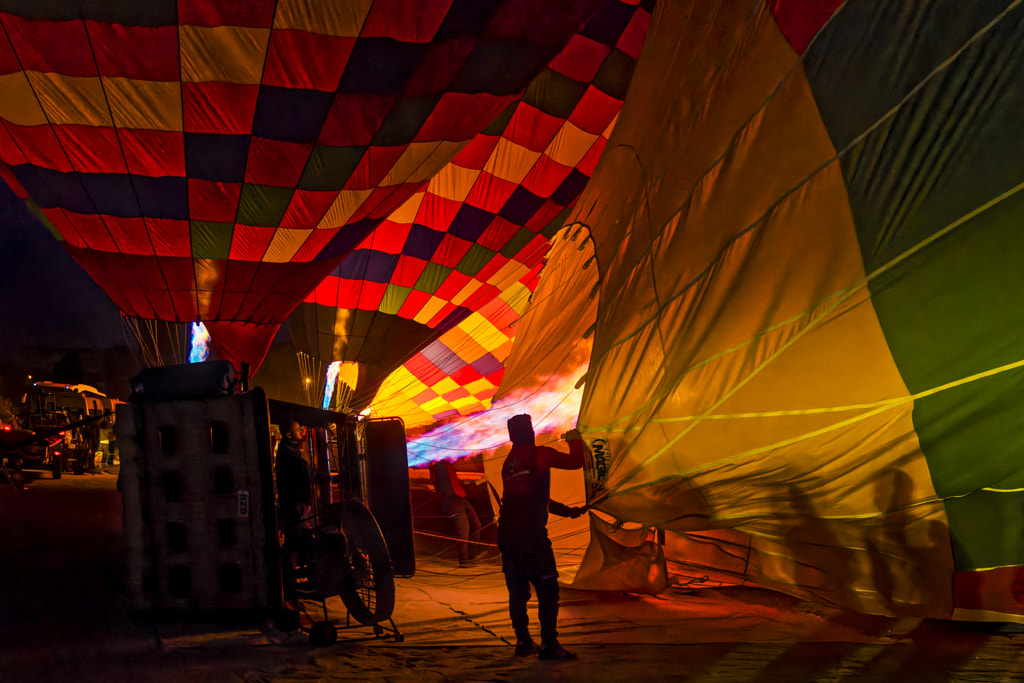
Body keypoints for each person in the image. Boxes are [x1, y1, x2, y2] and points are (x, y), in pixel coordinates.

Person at [497, 414, 587, 661]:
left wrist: (566, 511)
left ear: (511, 436)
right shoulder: (541, 454)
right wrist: (574, 440)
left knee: (518, 593)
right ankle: (550, 646)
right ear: (531, 432)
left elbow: (527, 497)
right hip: (531, 536)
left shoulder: (510, 462)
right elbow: (576, 462)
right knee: (547, 590)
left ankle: (524, 641)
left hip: (507, 535)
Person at [275, 421, 331, 598]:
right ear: (290, 435)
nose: (302, 430)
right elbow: (307, 472)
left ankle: (292, 581)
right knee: (300, 538)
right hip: (296, 505)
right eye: (298, 429)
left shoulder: (288, 449)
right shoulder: (290, 453)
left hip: (294, 504)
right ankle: (295, 583)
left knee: (296, 539)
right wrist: (327, 477)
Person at [429, 458, 483, 565]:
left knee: (477, 524)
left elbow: (456, 480)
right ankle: (464, 560)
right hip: (451, 502)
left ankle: (472, 552)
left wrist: (473, 482)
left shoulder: (448, 465)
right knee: (463, 531)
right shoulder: (438, 466)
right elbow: (442, 481)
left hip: (460, 498)